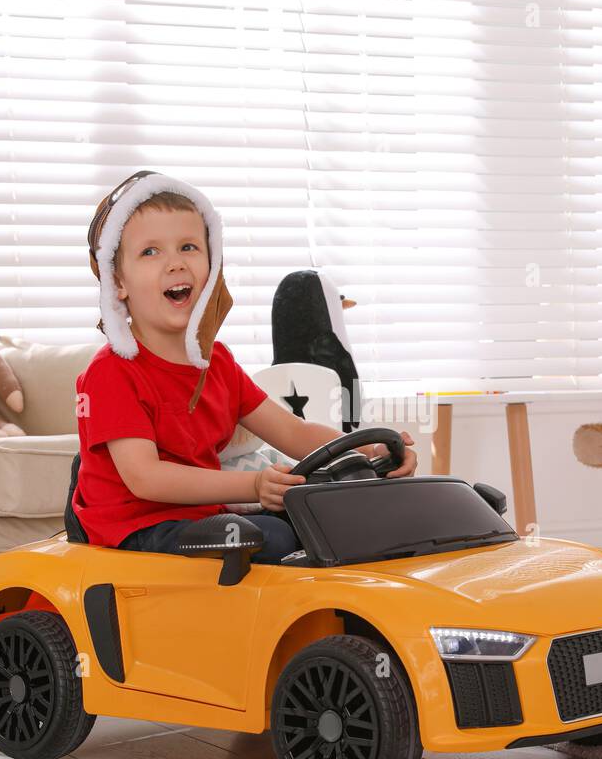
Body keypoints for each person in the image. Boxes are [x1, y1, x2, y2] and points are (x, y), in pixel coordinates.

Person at [72, 170, 416, 564]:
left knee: (324, 521)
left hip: (201, 517)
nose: (174, 264)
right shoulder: (112, 373)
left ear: (212, 264)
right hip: (134, 529)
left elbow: (292, 431)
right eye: (150, 252)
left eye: (188, 247)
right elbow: (145, 477)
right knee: (275, 539)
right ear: (118, 281)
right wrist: (252, 485)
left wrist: (369, 448)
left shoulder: (216, 363)